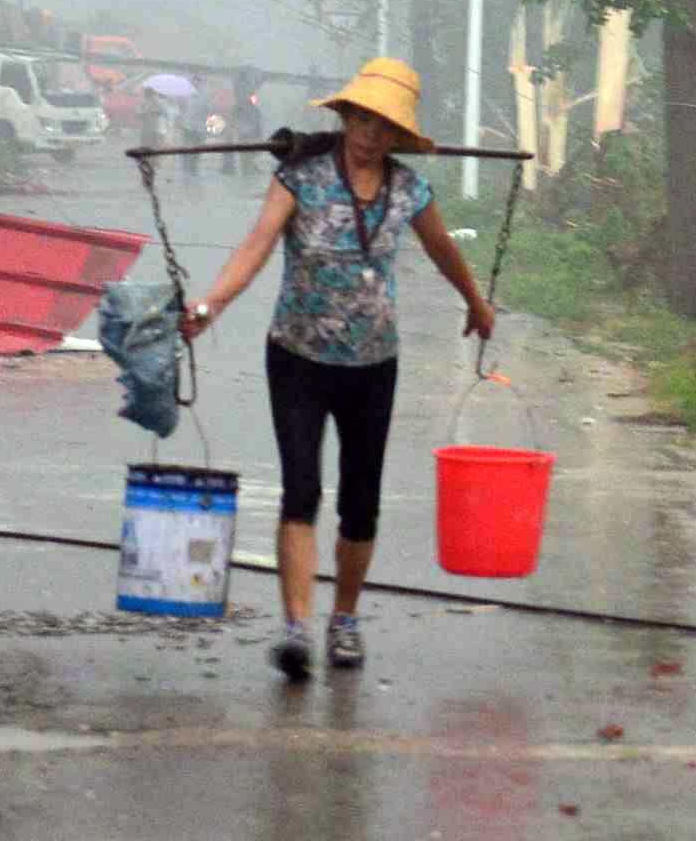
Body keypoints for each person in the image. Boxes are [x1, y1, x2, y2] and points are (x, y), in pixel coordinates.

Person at [181, 57, 496, 681]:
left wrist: (476, 303)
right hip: (297, 358)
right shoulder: (300, 176)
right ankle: (296, 628)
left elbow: (443, 250)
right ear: (345, 116)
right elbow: (255, 246)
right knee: (302, 489)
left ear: (397, 134)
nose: (367, 133)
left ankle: (344, 621)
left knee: (361, 500)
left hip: (372, 365)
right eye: (359, 118)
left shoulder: (408, 189)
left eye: (381, 125)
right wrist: (210, 305)